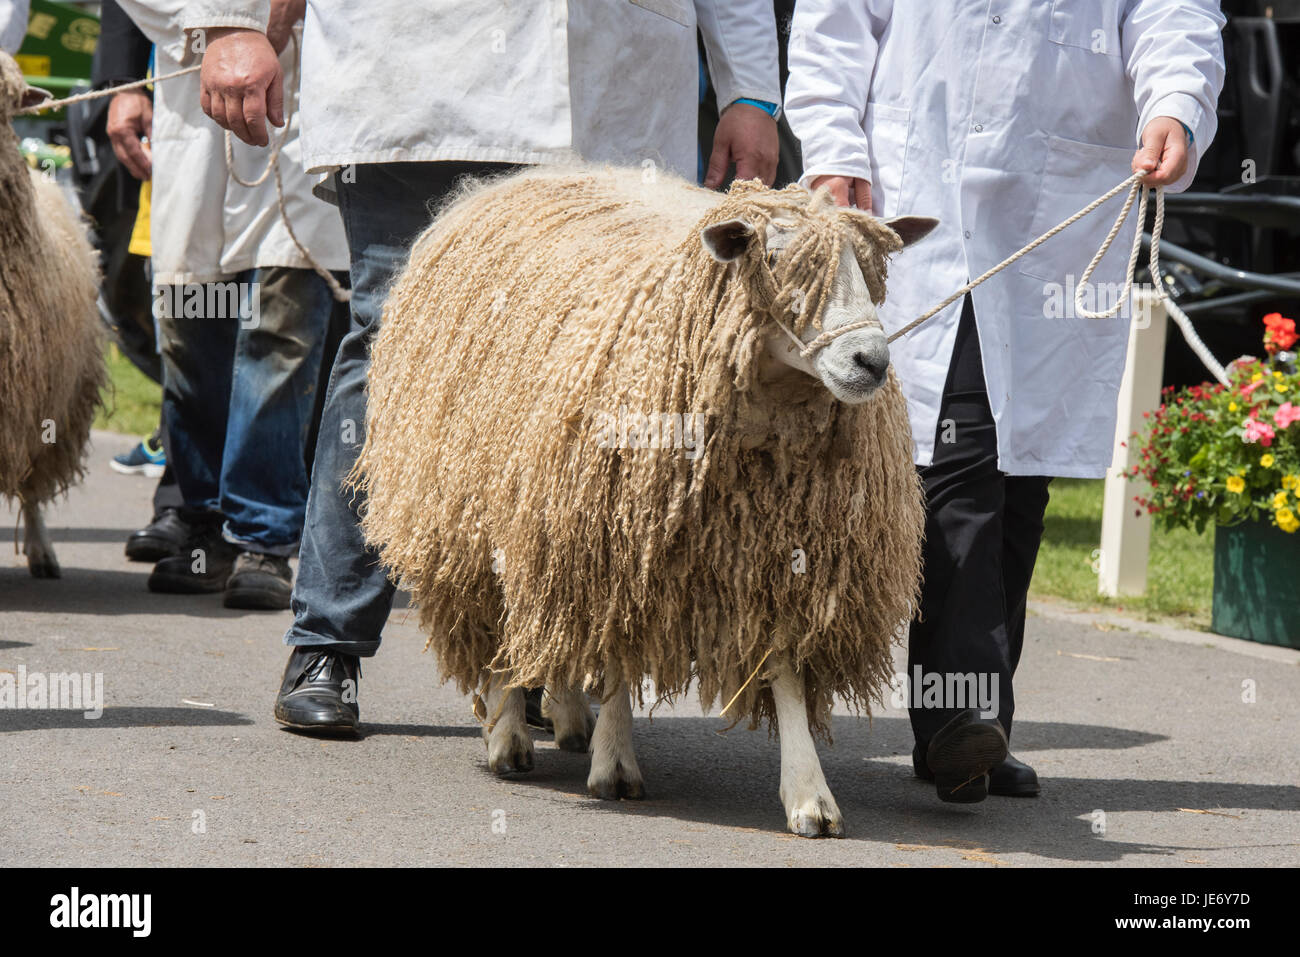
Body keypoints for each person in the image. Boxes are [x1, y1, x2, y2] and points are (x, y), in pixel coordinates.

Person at [188, 0, 781, 733]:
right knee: (394, 347)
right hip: (423, 75)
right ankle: (327, 640)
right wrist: (235, 21)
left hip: (613, 86)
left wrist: (749, 89)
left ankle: (544, 649)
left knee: (590, 371)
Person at [786, 0, 1225, 802]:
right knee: (960, 460)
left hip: (1054, 206)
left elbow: (1177, 12)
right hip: (917, 188)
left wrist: (1175, 105)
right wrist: (833, 146)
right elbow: (834, 21)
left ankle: (975, 726)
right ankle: (961, 717)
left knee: (1021, 480)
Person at [116, 0, 351, 609]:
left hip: (305, 99)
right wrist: (216, 25)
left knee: (282, 325)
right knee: (192, 325)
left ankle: (262, 538)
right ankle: (204, 525)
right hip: (194, 100)